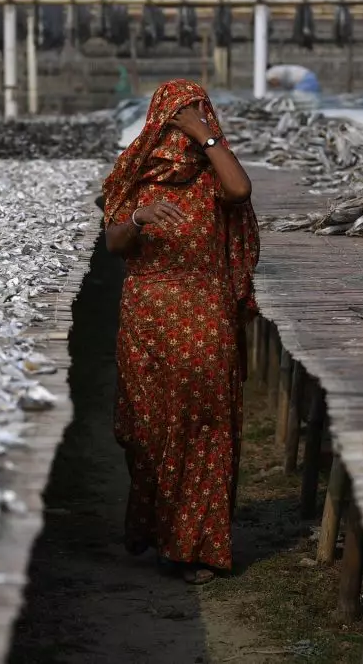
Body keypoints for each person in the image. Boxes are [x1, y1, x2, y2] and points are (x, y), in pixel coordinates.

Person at [101, 79, 259, 586]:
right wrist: (139, 218)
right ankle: (156, 528)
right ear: (159, 119)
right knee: (146, 426)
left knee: (205, 423)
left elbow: (241, 191)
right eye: (179, 113)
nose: (188, 120)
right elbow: (113, 244)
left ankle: (195, 548)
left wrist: (207, 137)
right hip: (147, 314)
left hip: (205, 311)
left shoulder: (214, 175)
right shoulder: (135, 171)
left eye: (198, 110)